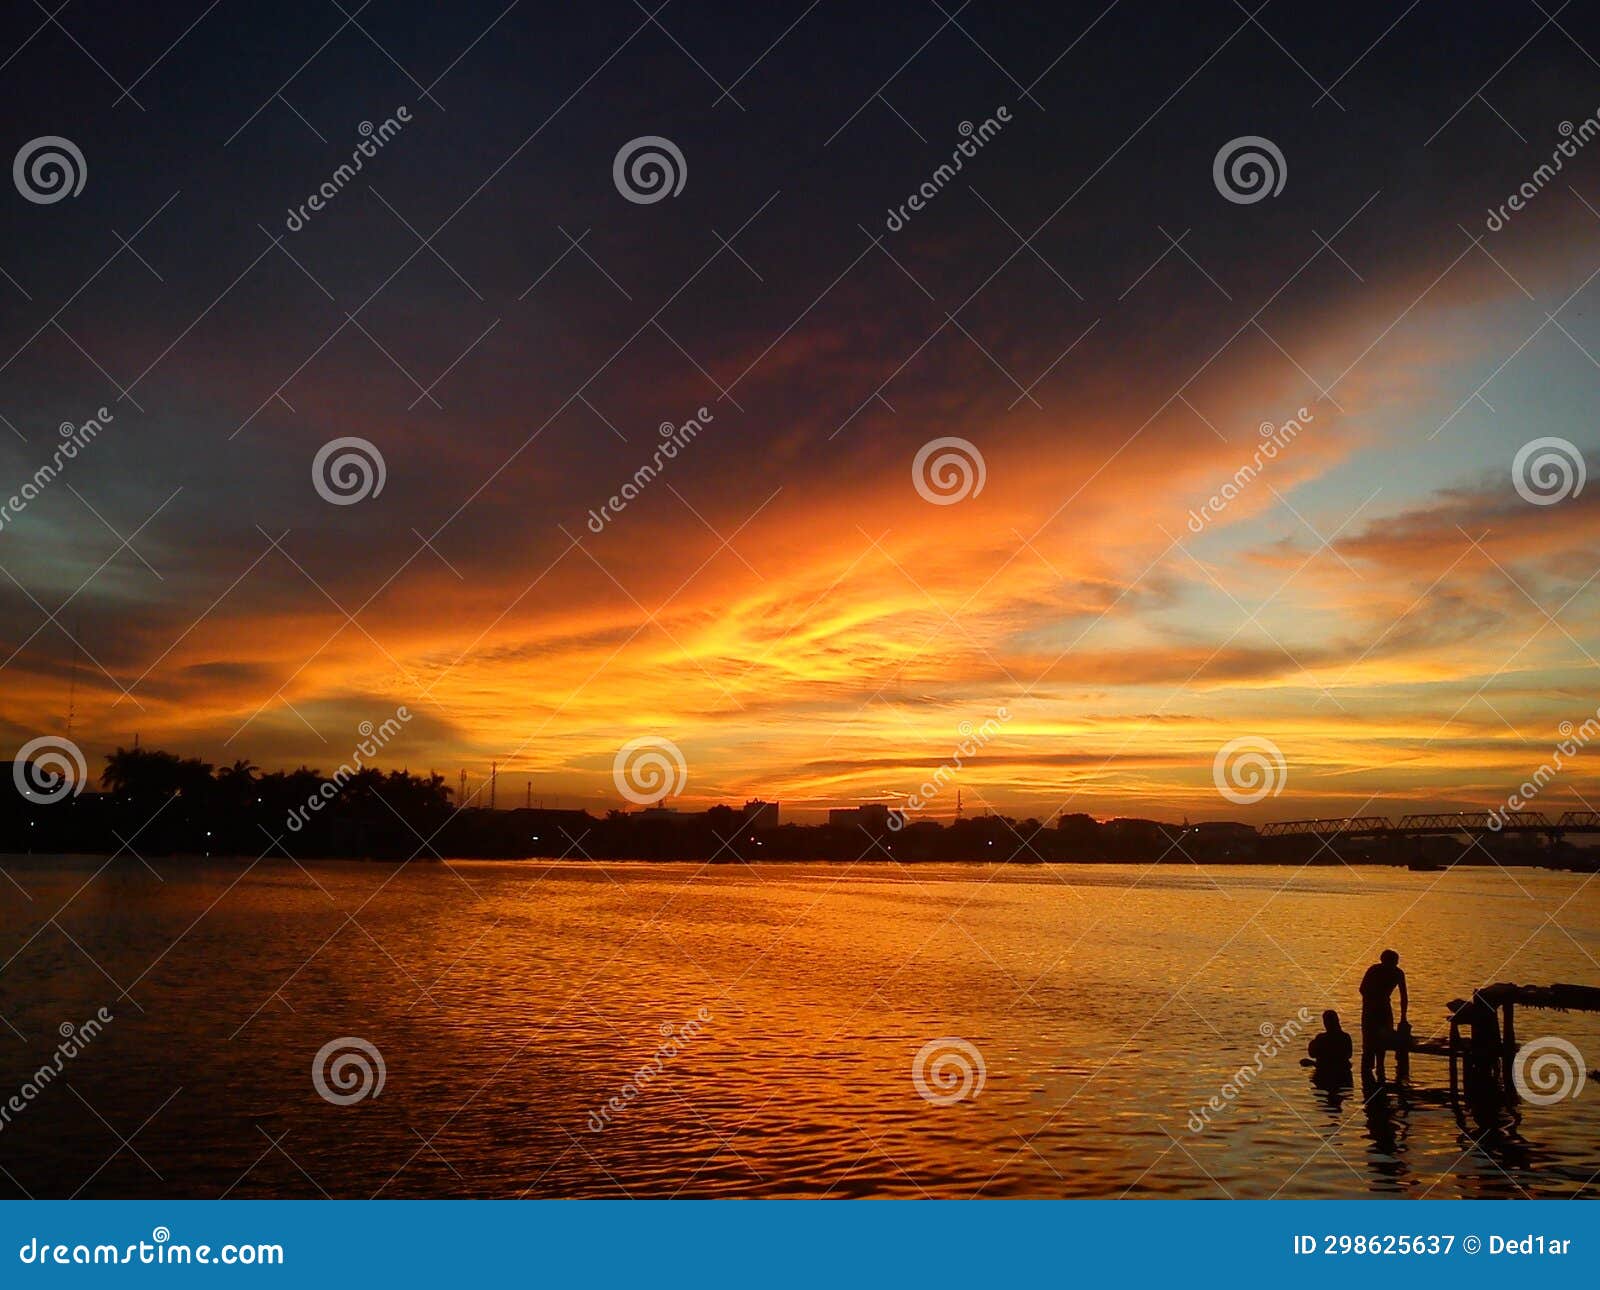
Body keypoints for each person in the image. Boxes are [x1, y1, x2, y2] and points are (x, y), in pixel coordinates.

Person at [1359, 949, 1407, 1084]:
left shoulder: (1398, 973)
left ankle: (1379, 1069)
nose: (1394, 965)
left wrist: (1403, 1016)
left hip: (1384, 1009)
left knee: (1382, 1041)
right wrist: (1374, 998)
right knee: (1369, 1042)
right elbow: (1362, 989)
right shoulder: (1374, 970)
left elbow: (1404, 996)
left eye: (1395, 962)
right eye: (1392, 962)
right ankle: (1369, 1073)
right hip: (1371, 1009)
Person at [1304, 1009, 1353, 1086]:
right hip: (1342, 1070)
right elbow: (1349, 1055)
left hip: (1326, 1070)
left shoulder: (1321, 1038)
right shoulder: (1346, 1037)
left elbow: (1312, 1054)